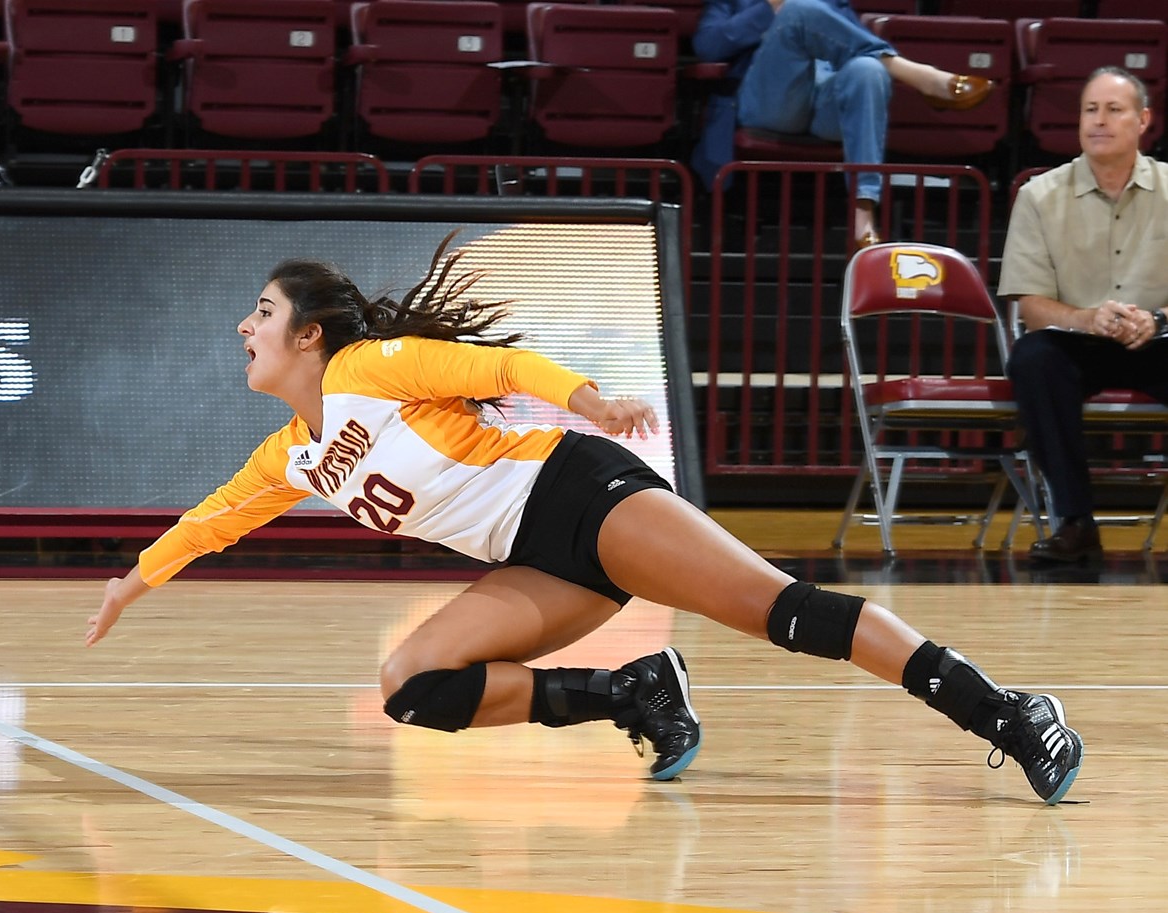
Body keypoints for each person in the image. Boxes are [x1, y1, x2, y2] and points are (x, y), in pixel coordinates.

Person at [83, 234, 1084, 804]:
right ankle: (635, 693)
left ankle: (1005, 710)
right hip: (531, 556)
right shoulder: (292, 455)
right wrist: (133, 580)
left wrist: (592, 401)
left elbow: (503, 368)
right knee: (414, 686)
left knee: (786, 611)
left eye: (260, 311)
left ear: (308, 335)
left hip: (574, 490)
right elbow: (215, 519)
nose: (244, 326)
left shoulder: (367, 369)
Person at [999, 66, 1168, 566]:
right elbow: (1031, 304)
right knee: (1033, 358)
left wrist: (1158, 319)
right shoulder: (1039, 195)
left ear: (1143, 120)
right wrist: (1088, 318)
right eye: (1090, 109)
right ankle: (1075, 522)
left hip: (1159, 338)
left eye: (1113, 110)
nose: (1099, 120)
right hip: (1077, 341)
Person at [692, 0, 993, 249]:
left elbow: (860, 46)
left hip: (826, 104)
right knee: (798, 9)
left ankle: (863, 215)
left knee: (868, 69)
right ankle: (923, 78)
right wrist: (769, 8)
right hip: (770, 104)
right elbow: (707, 46)